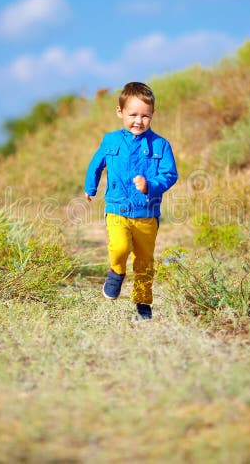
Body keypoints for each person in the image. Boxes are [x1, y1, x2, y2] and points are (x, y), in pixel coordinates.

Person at [84, 82, 178, 321]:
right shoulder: (110, 141)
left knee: (144, 263)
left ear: (152, 115)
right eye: (133, 115)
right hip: (117, 209)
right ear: (120, 112)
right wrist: (90, 187)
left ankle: (143, 304)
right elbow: (96, 164)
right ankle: (116, 271)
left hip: (147, 213)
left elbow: (170, 174)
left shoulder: (161, 145)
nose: (139, 121)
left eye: (145, 116)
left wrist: (150, 185)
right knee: (120, 247)